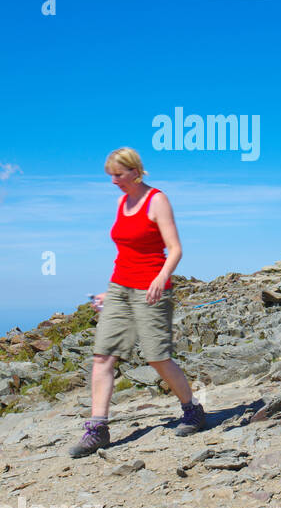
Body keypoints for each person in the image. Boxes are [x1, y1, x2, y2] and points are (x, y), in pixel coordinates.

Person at [73, 148, 206, 458]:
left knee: (156, 357)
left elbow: (174, 249)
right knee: (103, 356)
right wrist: (111, 292)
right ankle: (98, 429)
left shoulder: (156, 199)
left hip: (151, 289)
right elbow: (126, 253)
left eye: (118, 174)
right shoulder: (122, 202)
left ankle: (193, 410)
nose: (113, 181)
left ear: (135, 171)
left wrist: (161, 278)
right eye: (110, 175)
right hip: (119, 287)